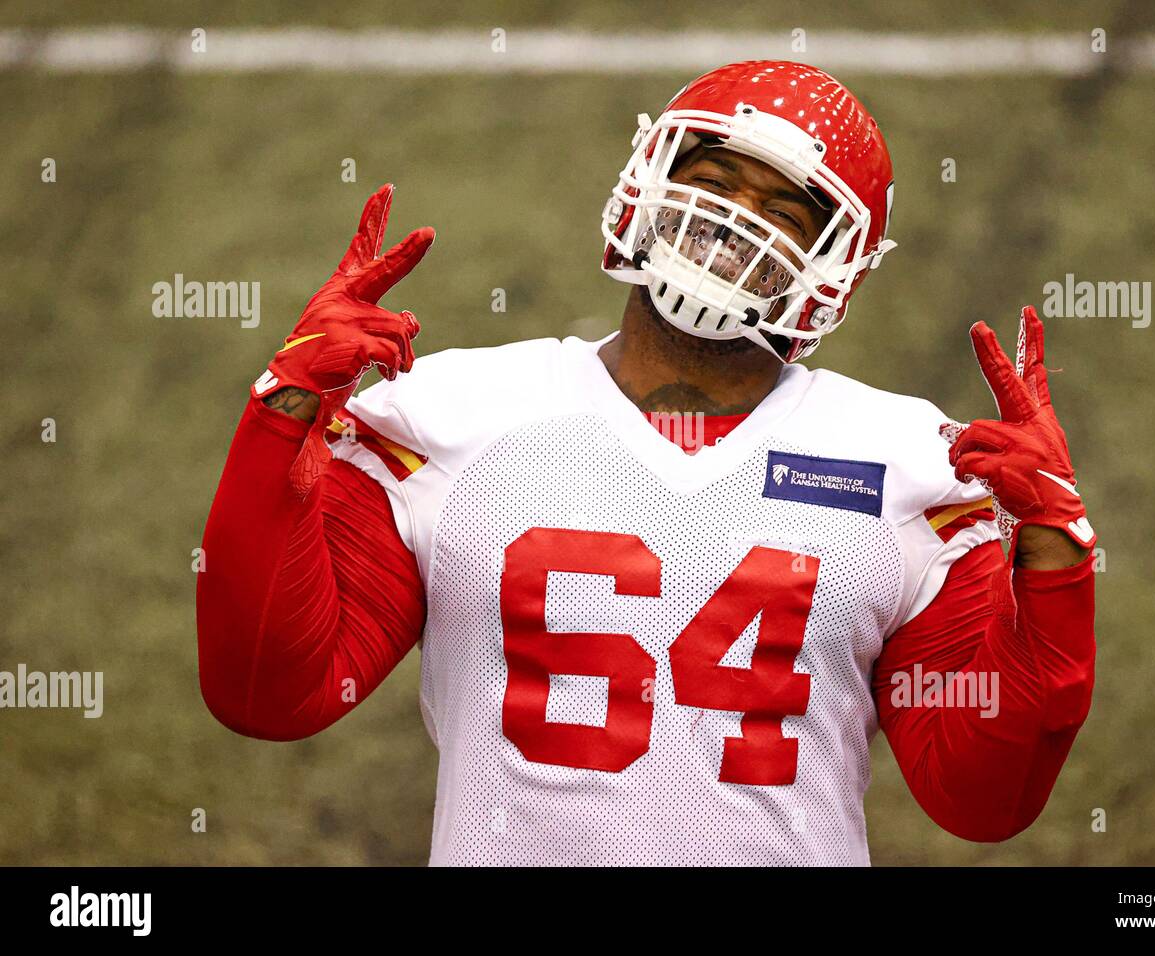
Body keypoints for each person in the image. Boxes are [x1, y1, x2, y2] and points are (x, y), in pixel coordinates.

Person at [197, 60, 1097, 866]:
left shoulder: (911, 469)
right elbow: (267, 695)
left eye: (784, 210)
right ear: (646, 183)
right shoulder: (449, 418)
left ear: (837, 265)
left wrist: (1056, 558)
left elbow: (983, 799)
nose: (733, 224)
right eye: (712, 180)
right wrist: (284, 410)